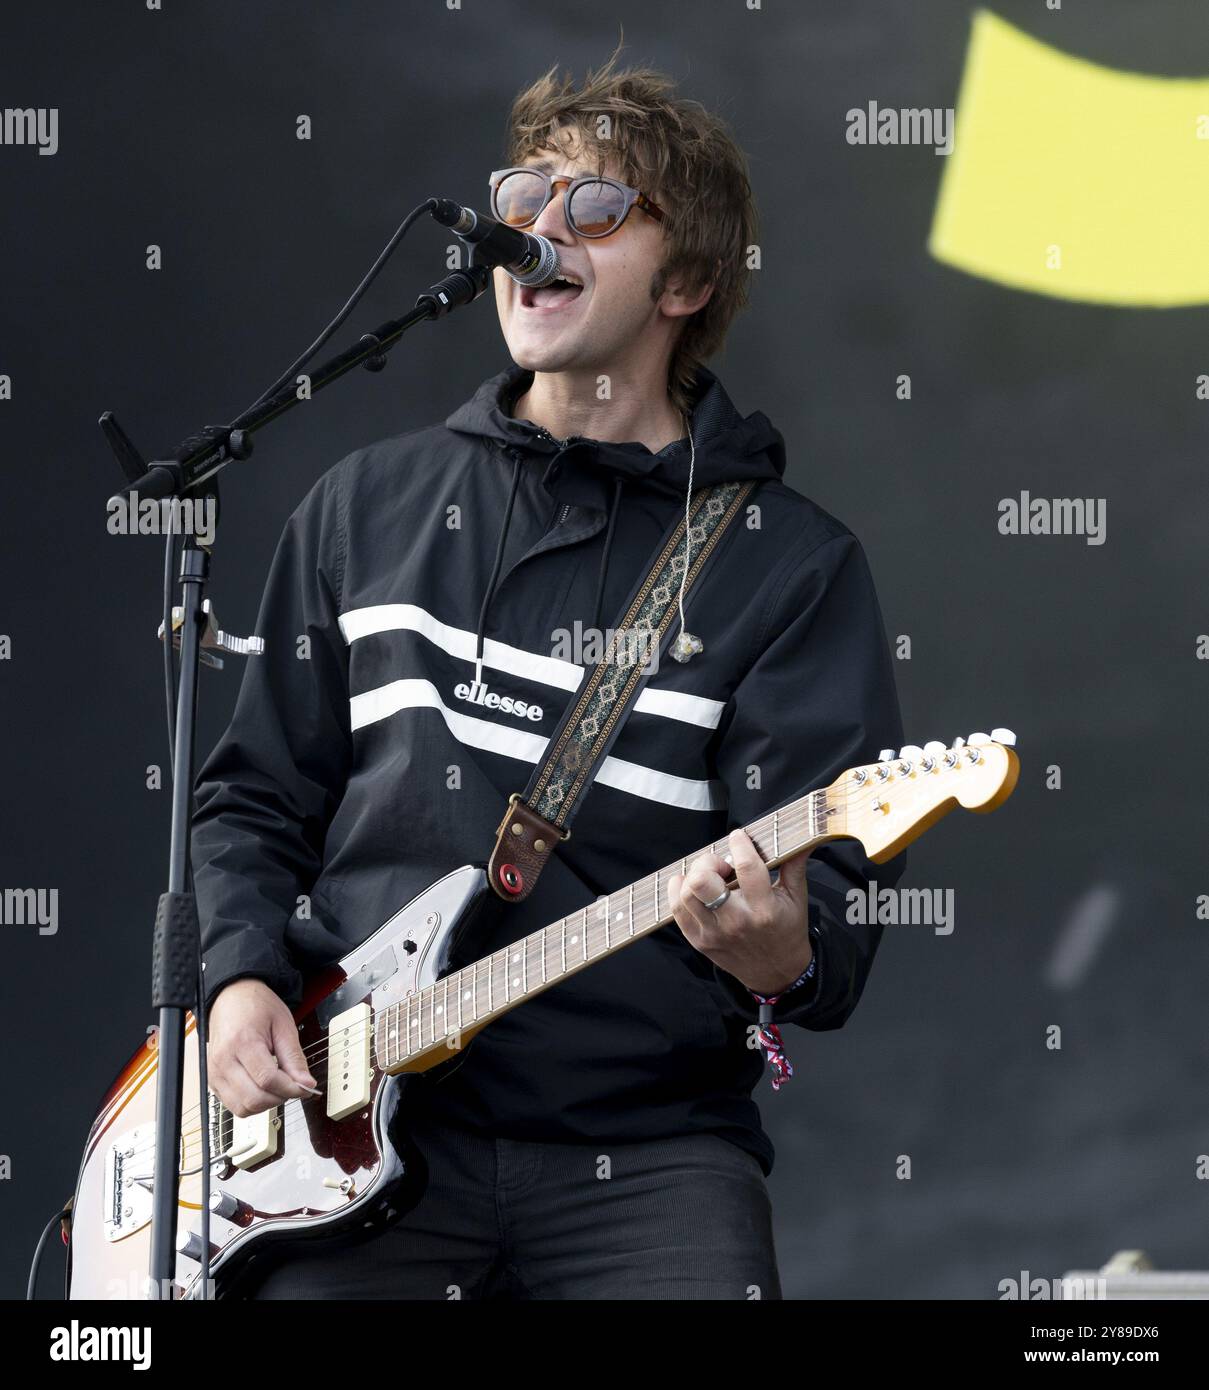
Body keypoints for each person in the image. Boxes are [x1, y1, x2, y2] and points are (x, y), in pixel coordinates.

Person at [192, 50, 905, 1300]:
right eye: (524, 199)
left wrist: (781, 949)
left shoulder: (787, 568)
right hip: (345, 1132)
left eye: (593, 209)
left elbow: (831, 925)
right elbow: (255, 795)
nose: (537, 232)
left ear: (686, 279)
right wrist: (244, 974)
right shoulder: (365, 508)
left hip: (651, 1154)